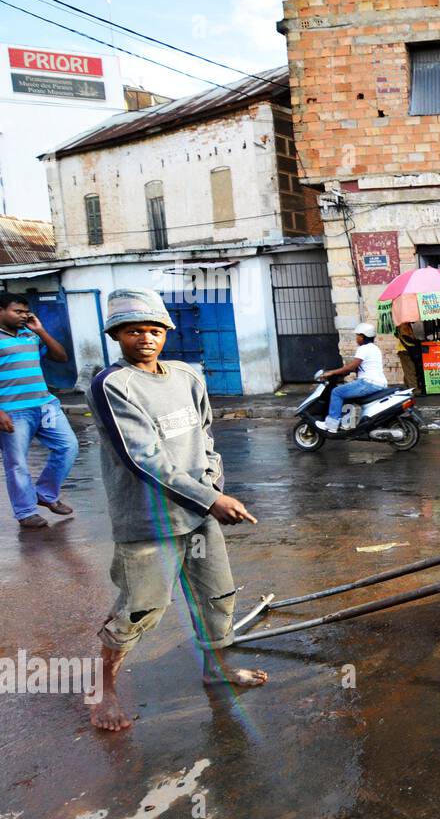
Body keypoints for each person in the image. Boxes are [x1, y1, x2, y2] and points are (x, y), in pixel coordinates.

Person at [86, 288, 266, 732]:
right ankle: (104, 695)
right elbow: (142, 458)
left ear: (166, 332)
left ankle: (216, 670)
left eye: (153, 329)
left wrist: (213, 485)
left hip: (200, 515)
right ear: (116, 335)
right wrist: (212, 499)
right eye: (133, 331)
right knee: (139, 609)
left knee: (217, 597)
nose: (145, 338)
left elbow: (205, 434)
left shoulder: (187, 375)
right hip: (147, 522)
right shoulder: (112, 385)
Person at [0, 292, 79, 529]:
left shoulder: (30, 335)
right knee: (17, 464)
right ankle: (25, 512)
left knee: (68, 446)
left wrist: (41, 330)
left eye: (26, 311)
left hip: (45, 405)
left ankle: (45, 493)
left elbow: (61, 356)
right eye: (18, 311)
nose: (24, 316)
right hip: (12, 411)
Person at [315, 322, 388, 433]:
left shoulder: (364, 349)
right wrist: (344, 372)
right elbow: (360, 367)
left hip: (368, 383)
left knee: (336, 392)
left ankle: (331, 425)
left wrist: (331, 373)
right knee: (347, 396)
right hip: (378, 383)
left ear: (363, 337)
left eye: (357, 336)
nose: (356, 338)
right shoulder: (374, 348)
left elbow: (351, 366)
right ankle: (346, 424)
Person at [395, 321, 424, 394]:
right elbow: (406, 338)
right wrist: (418, 342)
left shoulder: (406, 325)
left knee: (408, 370)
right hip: (404, 350)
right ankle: (414, 389)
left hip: (406, 350)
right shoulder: (403, 325)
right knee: (410, 370)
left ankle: (408, 387)